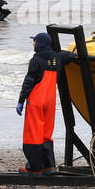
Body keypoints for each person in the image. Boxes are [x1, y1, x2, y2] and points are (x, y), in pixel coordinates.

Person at [16, 32, 73, 173]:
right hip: (50, 101)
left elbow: (29, 82)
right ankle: (49, 165)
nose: (33, 44)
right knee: (46, 134)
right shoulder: (58, 58)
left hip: (36, 101)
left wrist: (21, 101)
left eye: (34, 41)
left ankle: (34, 168)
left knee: (33, 134)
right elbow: (69, 55)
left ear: (40, 43)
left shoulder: (36, 60)